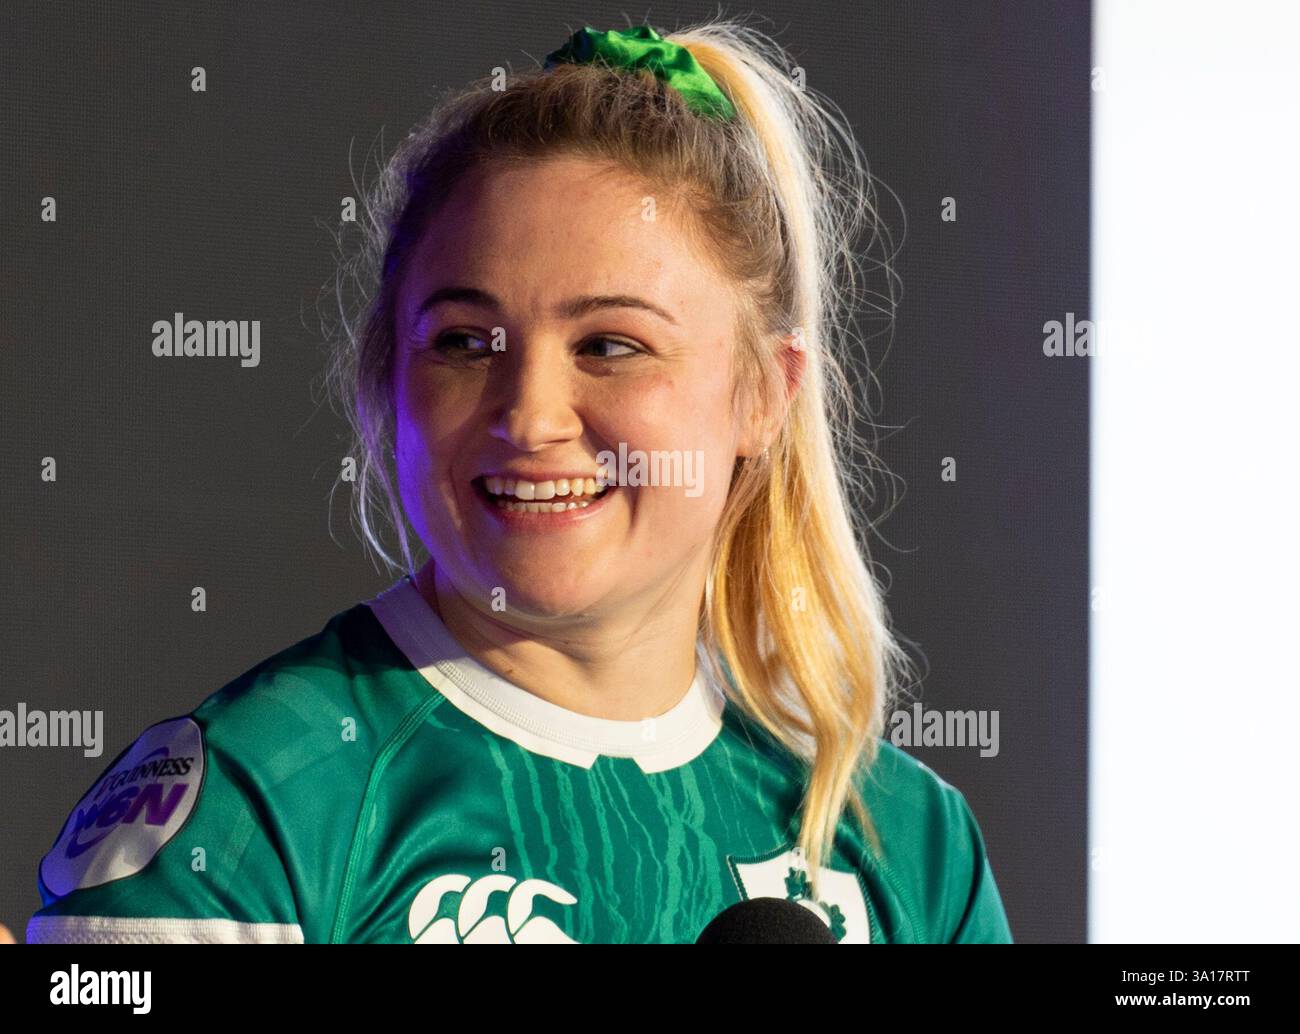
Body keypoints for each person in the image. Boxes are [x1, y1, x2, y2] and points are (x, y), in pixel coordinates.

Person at [25, 20, 1012, 944]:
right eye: (463, 341)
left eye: (610, 344)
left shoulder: (909, 846)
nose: (531, 416)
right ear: (386, 374)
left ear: (763, 395)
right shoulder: (254, 808)